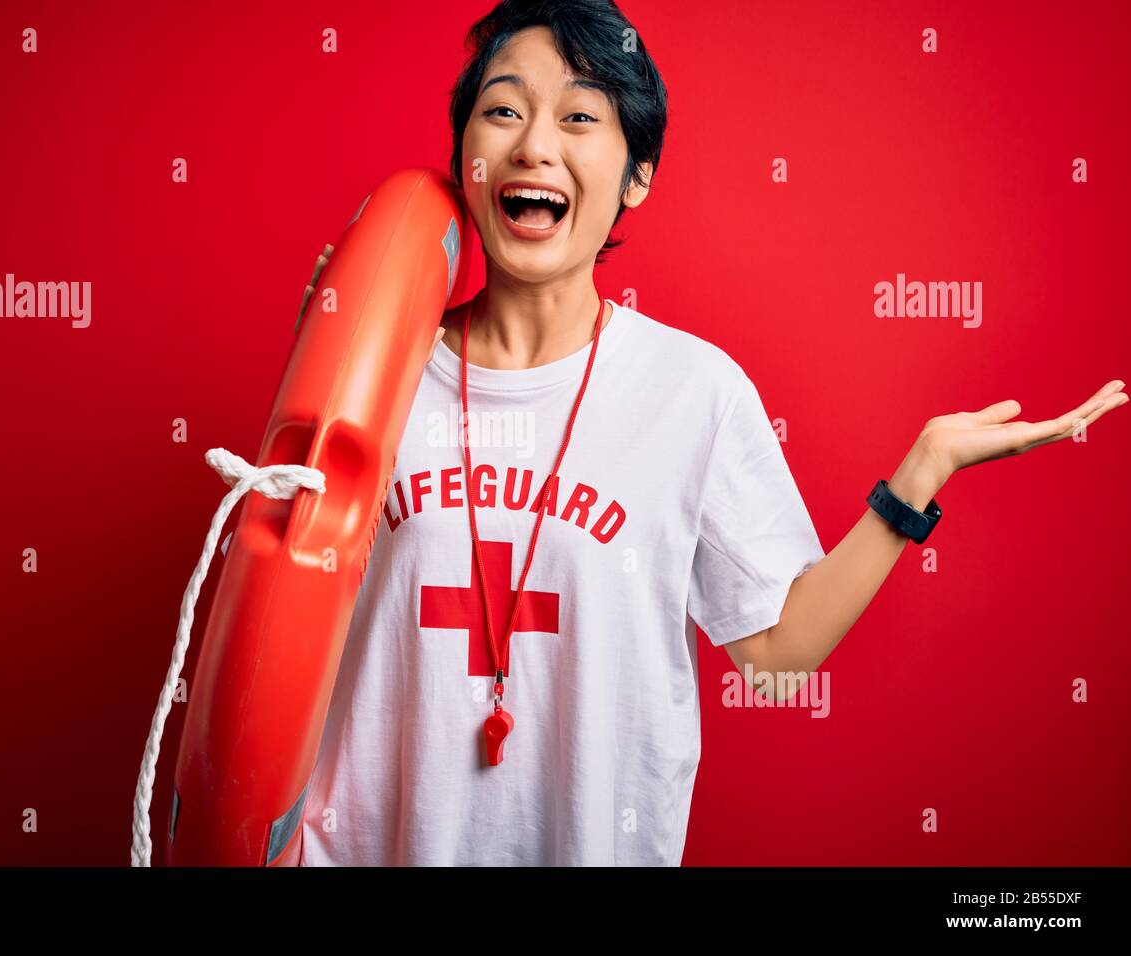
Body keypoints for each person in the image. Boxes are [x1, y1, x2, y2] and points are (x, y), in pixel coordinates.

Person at [294, 0, 1126, 866]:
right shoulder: (372, 368)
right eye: (503, 110)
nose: (534, 144)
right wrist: (327, 352)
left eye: (580, 117)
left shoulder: (692, 391)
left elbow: (776, 653)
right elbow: (285, 602)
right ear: (464, 154)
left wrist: (919, 476)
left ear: (637, 177)